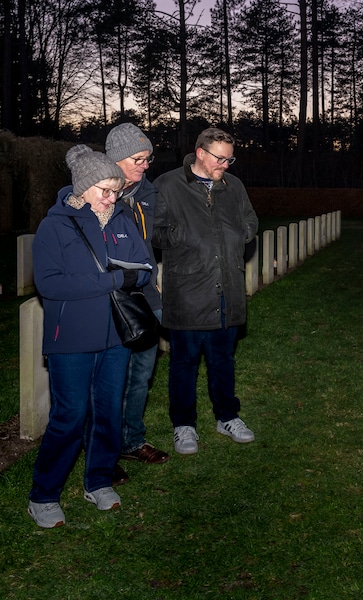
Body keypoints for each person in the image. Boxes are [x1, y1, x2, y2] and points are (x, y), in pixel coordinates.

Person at [28, 145, 152, 528]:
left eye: (116, 191)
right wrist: (115, 278)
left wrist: (131, 274)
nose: (112, 199)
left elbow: (144, 268)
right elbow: (51, 284)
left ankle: (97, 481)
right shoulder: (55, 226)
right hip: (71, 340)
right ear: (82, 188)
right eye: (104, 191)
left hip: (116, 336)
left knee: (108, 411)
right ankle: (44, 495)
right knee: (70, 416)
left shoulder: (120, 220)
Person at [152, 127, 259, 455]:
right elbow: (154, 232)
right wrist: (181, 235)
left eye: (230, 158)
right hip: (187, 290)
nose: (225, 165)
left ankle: (227, 416)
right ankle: (183, 426)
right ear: (200, 152)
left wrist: (237, 235)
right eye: (220, 158)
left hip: (227, 288)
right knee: (184, 362)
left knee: (223, 360)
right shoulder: (168, 185)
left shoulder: (234, 186)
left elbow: (251, 222)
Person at [105, 123, 169, 484]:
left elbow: (165, 233)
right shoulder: (95, 191)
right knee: (109, 378)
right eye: (138, 159)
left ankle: (132, 440)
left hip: (145, 296)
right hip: (107, 297)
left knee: (141, 374)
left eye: (148, 159)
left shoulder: (150, 193)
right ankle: (104, 450)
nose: (145, 165)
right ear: (116, 159)